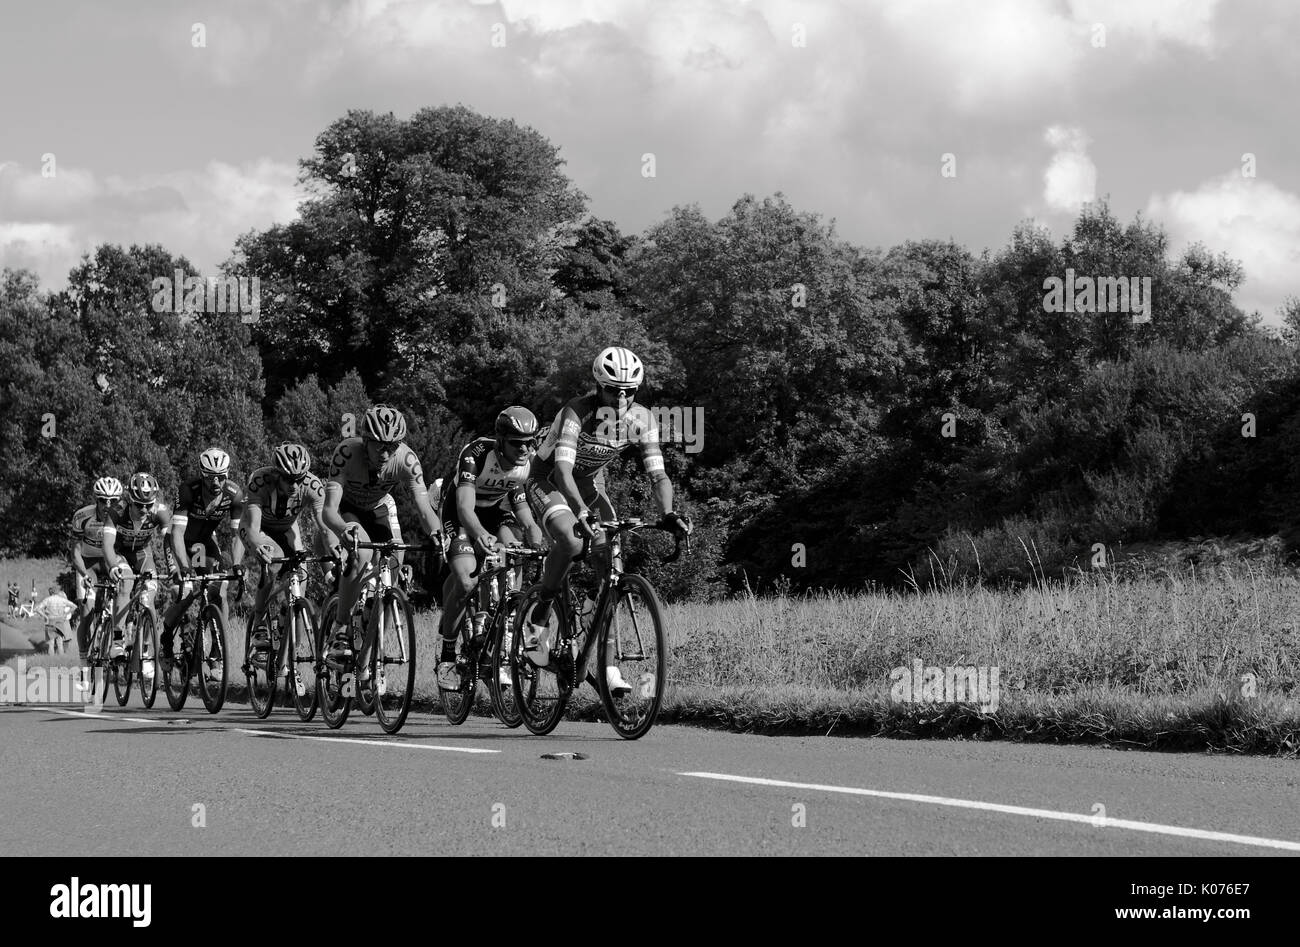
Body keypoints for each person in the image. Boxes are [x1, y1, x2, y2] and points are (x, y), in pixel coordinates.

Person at [521, 346, 691, 695]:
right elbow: (562, 470)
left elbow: (657, 476)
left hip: (590, 484)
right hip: (548, 479)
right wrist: (580, 511)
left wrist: (669, 514)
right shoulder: (576, 412)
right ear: (599, 386)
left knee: (611, 566)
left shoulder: (642, 419)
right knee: (570, 540)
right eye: (614, 389)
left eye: (630, 390)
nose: (622, 397)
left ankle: (608, 662)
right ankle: (538, 620)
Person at [321, 405, 444, 696]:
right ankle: (340, 628)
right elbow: (328, 510)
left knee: (393, 571)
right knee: (360, 554)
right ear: (365, 440)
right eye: (379, 447)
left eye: (392, 446)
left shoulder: (407, 459)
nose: (386, 454)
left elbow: (424, 508)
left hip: (378, 508)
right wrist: (343, 529)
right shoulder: (347, 452)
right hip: (348, 510)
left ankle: (369, 655)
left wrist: (438, 532)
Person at [435, 407, 545, 690]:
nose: (525, 448)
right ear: (500, 440)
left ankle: (499, 625)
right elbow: (464, 508)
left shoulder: (526, 464)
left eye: (530, 441)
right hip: (461, 513)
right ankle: (447, 656)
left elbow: (526, 516)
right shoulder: (476, 455)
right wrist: (481, 535)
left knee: (515, 551)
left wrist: (539, 542)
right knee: (465, 579)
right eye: (517, 442)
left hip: (496, 510)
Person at [239, 443, 341, 656]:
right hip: (256, 529)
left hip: (286, 528)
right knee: (274, 558)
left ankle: (289, 630)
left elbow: (323, 525)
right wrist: (257, 545)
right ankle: (259, 622)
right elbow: (254, 526)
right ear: (277, 475)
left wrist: (334, 547)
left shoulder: (312, 485)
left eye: (299, 479)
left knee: (301, 576)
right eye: (288, 479)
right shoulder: (260, 481)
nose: (294, 485)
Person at [162, 448, 245, 654]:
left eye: (220, 477)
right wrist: (184, 566)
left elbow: (237, 536)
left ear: (227, 474)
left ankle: (217, 652)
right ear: (202, 475)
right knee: (186, 595)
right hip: (178, 542)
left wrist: (236, 564)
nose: (215, 483)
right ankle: (166, 636)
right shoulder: (188, 490)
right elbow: (177, 533)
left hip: (204, 544)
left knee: (219, 591)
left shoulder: (234, 495)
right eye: (210, 478)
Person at [101, 473, 173, 669]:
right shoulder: (117, 511)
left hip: (143, 555)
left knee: (149, 593)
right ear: (129, 500)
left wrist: (174, 567)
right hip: (120, 554)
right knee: (125, 581)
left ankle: (146, 651)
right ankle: (117, 640)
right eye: (139, 504)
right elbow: (107, 545)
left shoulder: (161, 511)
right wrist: (113, 566)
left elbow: (171, 542)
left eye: (148, 505)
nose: (144, 509)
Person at [70, 476, 124, 652]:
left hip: (110, 562)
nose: (108, 505)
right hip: (88, 565)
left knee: (124, 597)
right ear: (96, 500)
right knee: (87, 613)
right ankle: (84, 664)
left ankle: (118, 643)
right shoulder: (82, 516)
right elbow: (75, 551)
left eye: (113, 500)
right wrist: (83, 574)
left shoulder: (124, 517)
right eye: (103, 500)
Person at [36, 586, 76, 654]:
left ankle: (51, 660)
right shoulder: (61, 599)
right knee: (60, 644)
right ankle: (61, 660)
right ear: (57, 592)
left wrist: (45, 616)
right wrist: (65, 614)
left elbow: (37, 609)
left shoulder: (48, 600)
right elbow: (74, 606)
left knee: (51, 644)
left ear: (50, 593)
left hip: (50, 622)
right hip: (59, 622)